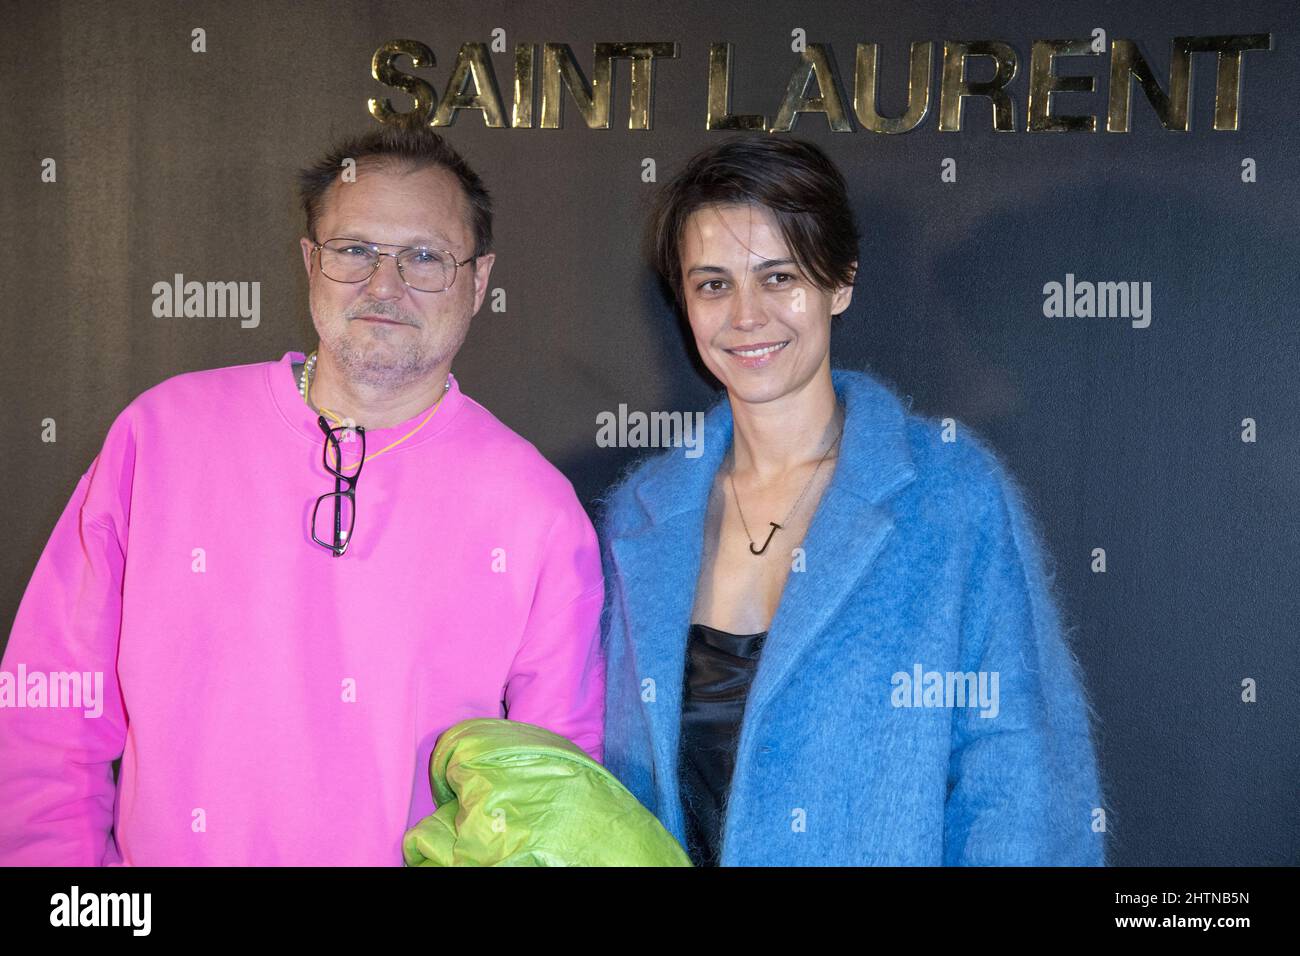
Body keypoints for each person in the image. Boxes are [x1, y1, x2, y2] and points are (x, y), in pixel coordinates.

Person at [0, 124, 605, 866]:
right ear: (310, 261)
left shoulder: (537, 509)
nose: (384, 286)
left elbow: (555, 802)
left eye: (424, 257)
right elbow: (51, 714)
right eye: (354, 249)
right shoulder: (160, 437)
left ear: (478, 282)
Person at [598, 136, 1107, 866]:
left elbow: (1020, 783)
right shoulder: (640, 516)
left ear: (840, 282)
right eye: (713, 284)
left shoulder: (948, 497)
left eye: (778, 277)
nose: (746, 315)